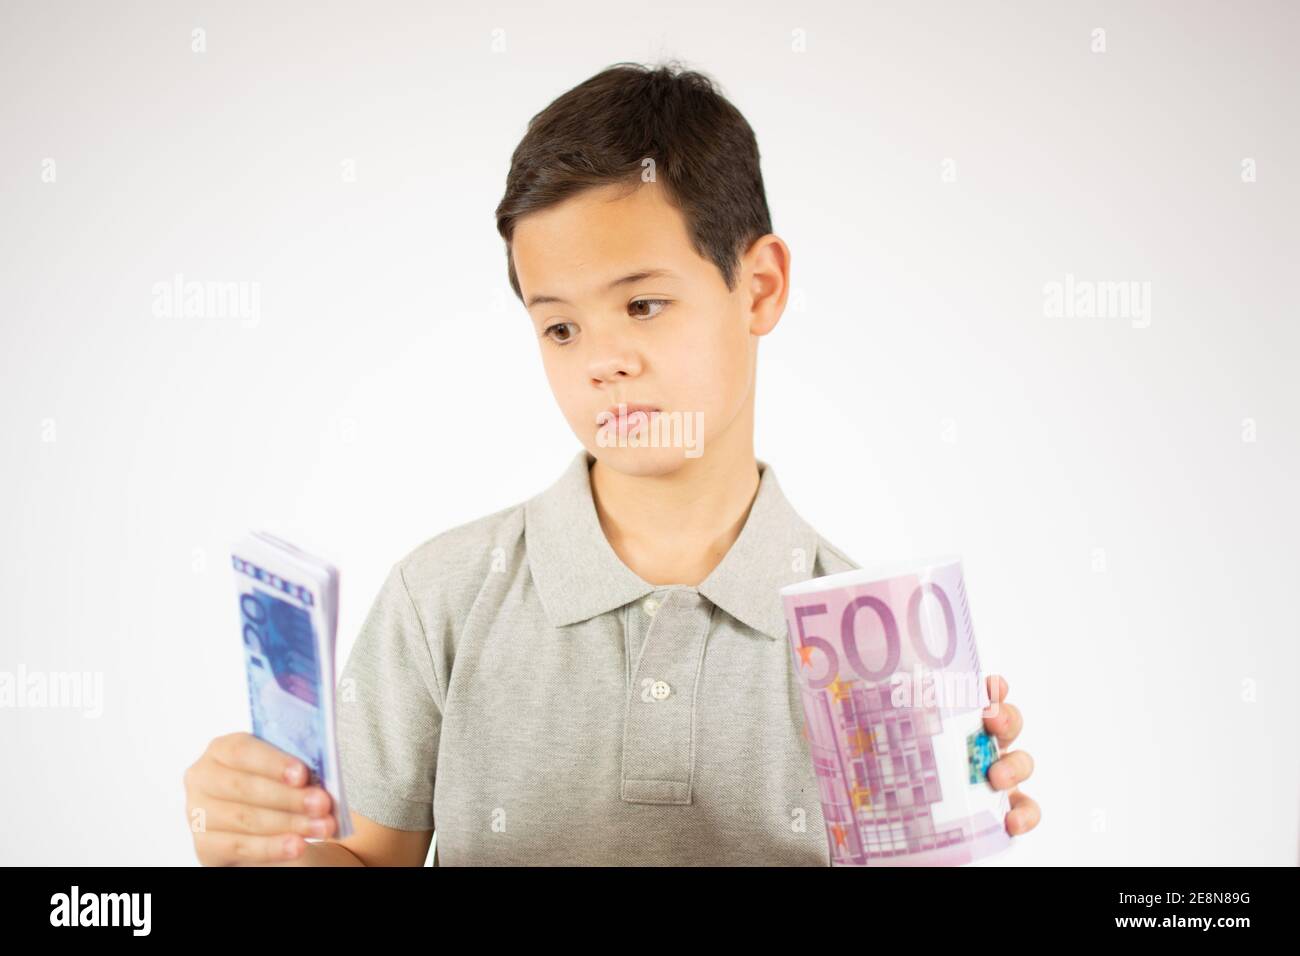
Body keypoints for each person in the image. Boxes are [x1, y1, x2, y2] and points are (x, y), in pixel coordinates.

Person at [184, 60, 1039, 866]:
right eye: (561, 326)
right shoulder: (438, 600)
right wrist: (266, 838)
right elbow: (364, 859)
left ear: (761, 287)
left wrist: (947, 838)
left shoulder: (867, 659)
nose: (604, 359)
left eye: (644, 304)